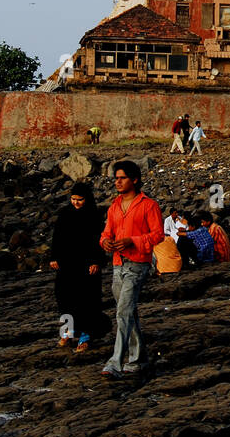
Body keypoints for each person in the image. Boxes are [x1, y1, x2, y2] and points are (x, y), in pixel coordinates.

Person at [99, 161, 164, 379]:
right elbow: (106, 233)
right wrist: (106, 242)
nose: (117, 182)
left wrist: (132, 241)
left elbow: (158, 235)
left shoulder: (149, 205)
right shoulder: (114, 207)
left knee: (123, 311)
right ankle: (139, 359)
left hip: (137, 264)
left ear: (134, 180)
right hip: (118, 264)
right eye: (116, 178)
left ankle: (115, 362)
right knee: (128, 312)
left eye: (122, 178)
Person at [49, 182, 105, 352]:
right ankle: (67, 331)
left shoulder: (94, 216)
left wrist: (97, 261)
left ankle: (85, 337)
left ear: (86, 199)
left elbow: (100, 240)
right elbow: (57, 237)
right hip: (67, 264)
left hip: (87, 266)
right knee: (64, 297)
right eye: (73, 199)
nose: (76, 203)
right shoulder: (65, 213)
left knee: (86, 301)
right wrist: (54, 257)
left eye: (79, 200)